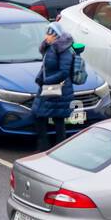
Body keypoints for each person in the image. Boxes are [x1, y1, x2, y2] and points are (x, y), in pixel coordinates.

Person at [32, 22, 76, 151]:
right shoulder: (50, 47)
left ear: (55, 35)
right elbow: (46, 66)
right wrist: (40, 78)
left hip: (59, 89)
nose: (46, 36)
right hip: (48, 87)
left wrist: (47, 81)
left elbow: (64, 72)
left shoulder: (63, 50)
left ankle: (55, 148)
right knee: (39, 115)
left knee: (56, 119)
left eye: (48, 33)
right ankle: (45, 146)